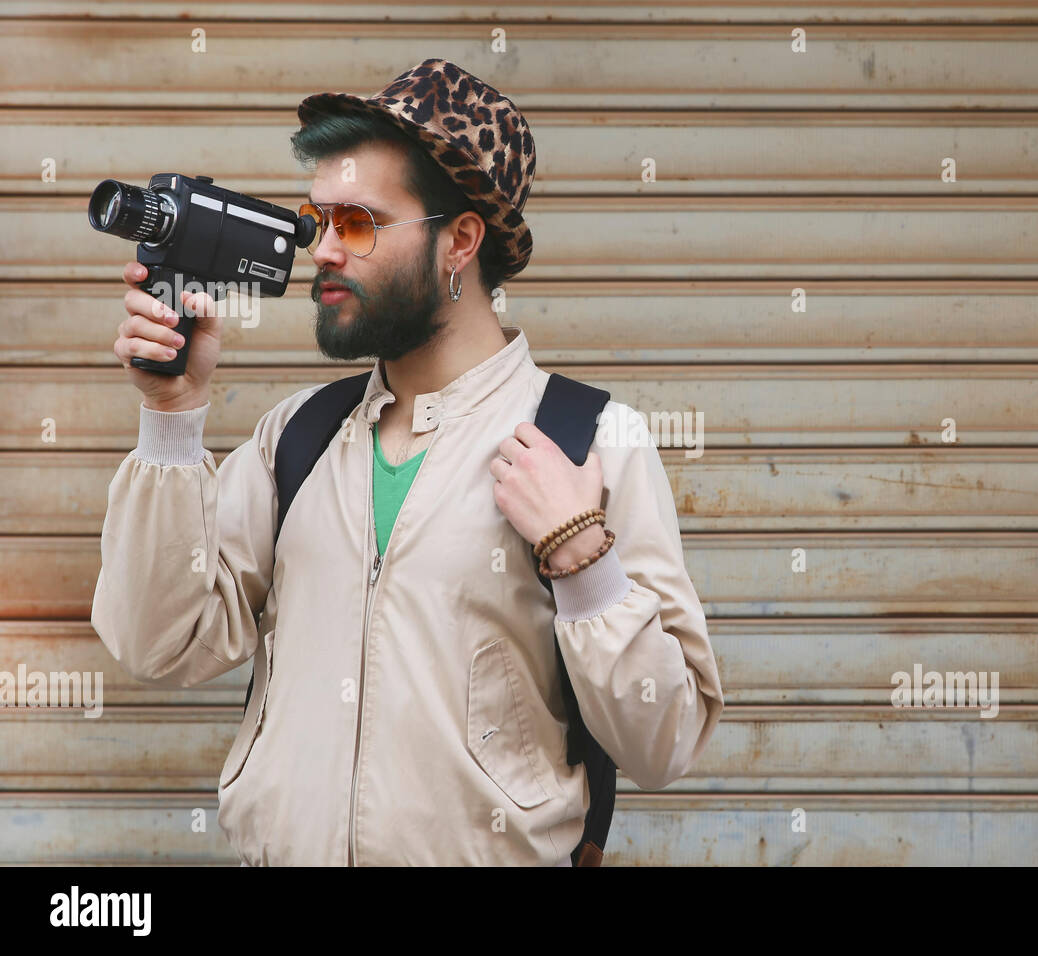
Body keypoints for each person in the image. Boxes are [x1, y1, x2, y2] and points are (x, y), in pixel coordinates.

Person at [90, 58, 724, 866]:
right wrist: (172, 420)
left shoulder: (591, 441)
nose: (322, 251)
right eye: (316, 222)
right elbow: (157, 644)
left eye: (356, 224)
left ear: (460, 240)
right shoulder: (300, 436)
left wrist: (579, 554)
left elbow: (665, 742)